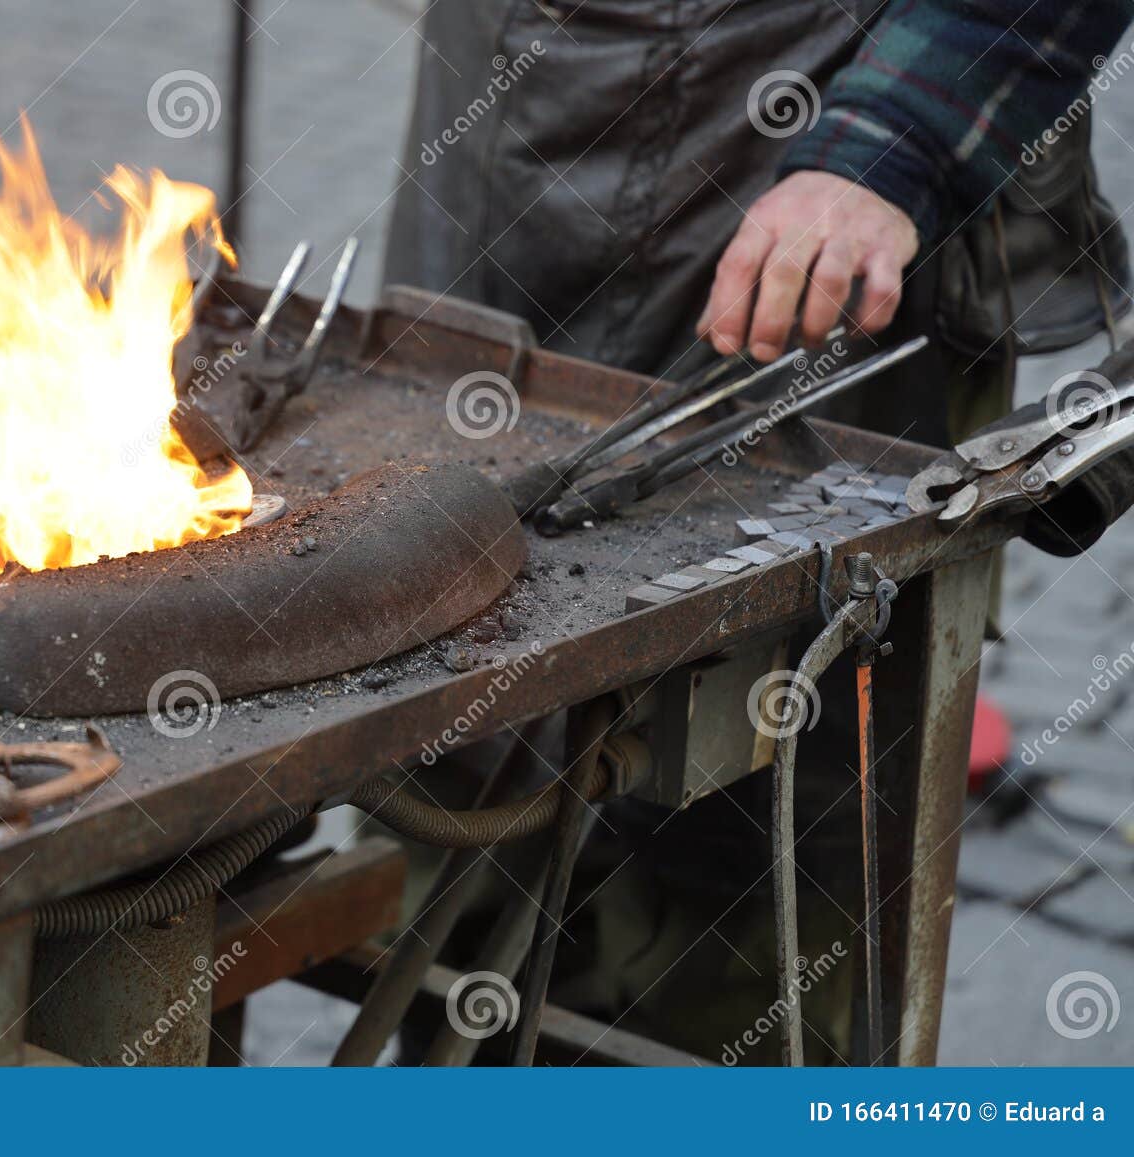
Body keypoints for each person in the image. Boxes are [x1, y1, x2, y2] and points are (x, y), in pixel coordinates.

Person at [383, 0, 1134, 1063]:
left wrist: (889, 142)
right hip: (499, 139)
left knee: (733, 882)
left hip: (811, 179)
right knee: (439, 761)